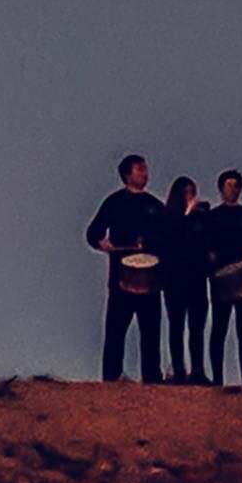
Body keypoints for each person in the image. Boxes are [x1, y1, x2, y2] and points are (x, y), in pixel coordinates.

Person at [84, 154, 165, 384]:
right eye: (140, 169)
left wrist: (151, 243)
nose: (145, 173)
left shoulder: (154, 205)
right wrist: (103, 244)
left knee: (150, 333)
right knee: (116, 331)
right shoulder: (114, 202)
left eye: (146, 169)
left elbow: (167, 235)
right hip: (121, 278)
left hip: (150, 280)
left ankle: (152, 379)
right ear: (127, 174)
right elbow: (93, 232)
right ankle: (111, 379)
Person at [206, 169, 242, 387]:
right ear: (220, 189)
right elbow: (206, 246)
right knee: (219, 326)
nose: (233, 189)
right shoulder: (213, 217)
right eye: (229, 185)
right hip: (220, 279)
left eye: (236, 185)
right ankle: (217, 378)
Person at [161, 176, 210, 384]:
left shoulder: (201, 217)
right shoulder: (169, 217)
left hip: (197, 278)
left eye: (193, 191)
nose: (191, 196)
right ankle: (179, 369)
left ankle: (198, 370)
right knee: (177, 325)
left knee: (197, 326)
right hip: (175, 279)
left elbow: (205, 239)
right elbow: (172, 238)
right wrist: (187, 215)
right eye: (187, 192)